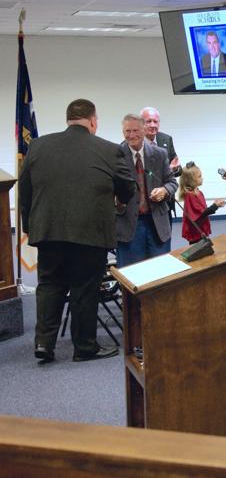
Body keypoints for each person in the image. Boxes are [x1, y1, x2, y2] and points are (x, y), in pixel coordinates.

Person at [19, 99, 136, 363]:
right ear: (93, 121)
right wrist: (119, 199)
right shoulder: (108, 149)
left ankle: (44, 344)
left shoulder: (38, 146)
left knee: (49, 285)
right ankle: (84, 347)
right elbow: (128, 187)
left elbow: (25, 190)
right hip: (90, 233)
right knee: (85, 288)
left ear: (68, 119)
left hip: (48, 231)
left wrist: (31, 227)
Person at [115, 114, 177, 267]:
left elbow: (172, 182)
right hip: (129, 224)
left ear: (143, 130)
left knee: (161, 272)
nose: (131, 135)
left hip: (157, 224)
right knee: (132, 272)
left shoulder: (159, 154)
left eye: (135, 130)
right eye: (127, 131)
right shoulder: (116, 155)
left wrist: (164, 190)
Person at [178, 162, 225, 244]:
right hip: (195, 230)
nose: (202, 178)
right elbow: (201, 214)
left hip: (201, 228)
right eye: (199, 176)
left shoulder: (198, 192)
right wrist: (215, 205)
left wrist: (216, 205)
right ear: (191, 180)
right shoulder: (190, 196)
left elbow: (203, 210)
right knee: (197, 248)